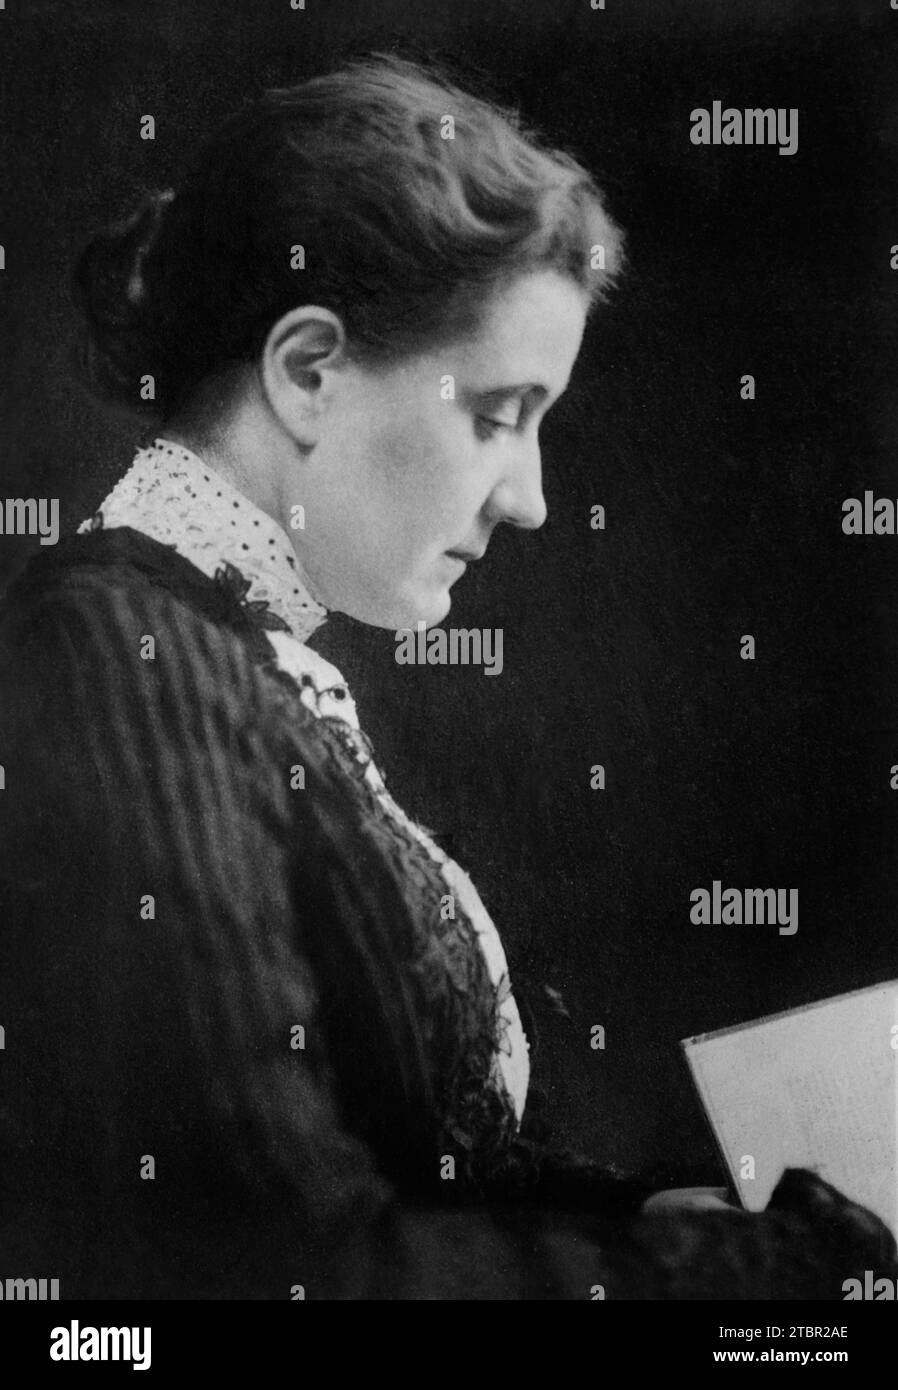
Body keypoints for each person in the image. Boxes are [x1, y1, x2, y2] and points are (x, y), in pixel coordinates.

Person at [0, 53, 893, 1299]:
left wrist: (638, 1214)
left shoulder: (234, 655)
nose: (530, 501)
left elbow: (415, 1165)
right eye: (498, 413)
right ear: (308, 371)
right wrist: (735, 1277)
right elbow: (263, 1269)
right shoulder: (118, 652)